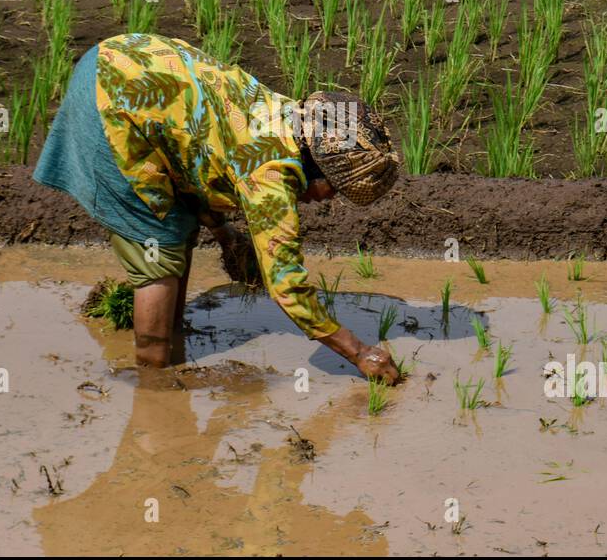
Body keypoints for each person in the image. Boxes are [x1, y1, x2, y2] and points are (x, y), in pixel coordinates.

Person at [33, 32, 402, 383]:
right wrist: (358, 352)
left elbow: (201, 162)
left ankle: (170, 344)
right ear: (318, 165)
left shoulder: (284, 115)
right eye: (333, 187)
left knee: (179, 224)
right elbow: (288, 286)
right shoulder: (272, 177)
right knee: (160, 249)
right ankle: (152, 380)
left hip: (117, 58)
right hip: (110, 106)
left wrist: (225, 235)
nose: (326, 198)